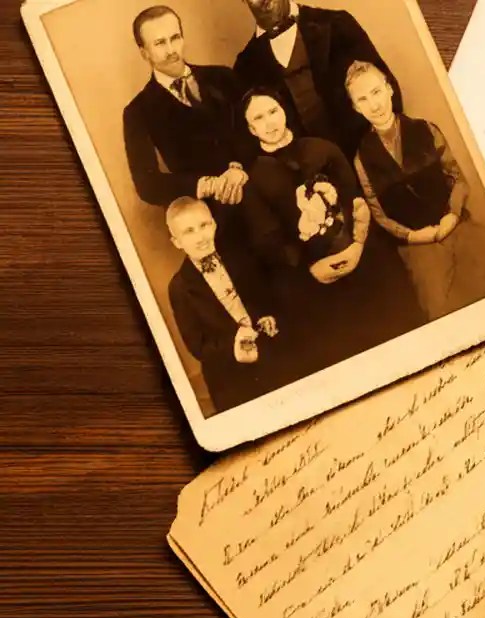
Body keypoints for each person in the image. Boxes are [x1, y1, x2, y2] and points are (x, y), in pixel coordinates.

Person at [237, 87, 425, 374]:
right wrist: (313, 268)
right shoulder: (255, 180)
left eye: (273, 111)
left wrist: (356, 245)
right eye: (259, 118)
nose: (270, 122)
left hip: (355, 246)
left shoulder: (322, 149)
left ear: (284, 110)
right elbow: (269, 242)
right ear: (251, 128)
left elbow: (354, 200)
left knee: (388, 288)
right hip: (310, 268)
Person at [346, 61, 485, 320]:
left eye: (376, 92)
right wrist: (413, 236)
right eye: (362, 99)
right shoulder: (362, 157)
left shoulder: (426, 129)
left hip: (458, 227)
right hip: (418, 248)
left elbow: (457, 177)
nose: (374, 105)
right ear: (356, 108)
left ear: (389, 89)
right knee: (444, 310)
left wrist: (452, 216)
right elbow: (378, 212)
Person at [233, 0, 402, 162]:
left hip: (372, 158)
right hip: (310, 177)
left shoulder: (337, 24)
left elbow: (387, 90)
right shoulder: (246, 64)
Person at [165, 196, 290, 414]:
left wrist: (265, 316)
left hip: (269, 352)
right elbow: (198, 347)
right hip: (229, 372)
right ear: (176, 242)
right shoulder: (180, 287)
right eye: (189, 231)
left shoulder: (238, 256)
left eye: (204, 225)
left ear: (214, 224)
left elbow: (262, 296)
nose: (200, 237)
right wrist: (234, 345)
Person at [123, 6, 253, 208]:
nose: (171, 50)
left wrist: (239, 167)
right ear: (144, 53)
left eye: (175, 38)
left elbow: (254, 127)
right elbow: (147, 185)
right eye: (159, 43)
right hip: (210, 211)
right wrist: (206, 185)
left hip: (256, 182)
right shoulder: (137, 112)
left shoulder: (222, 77)